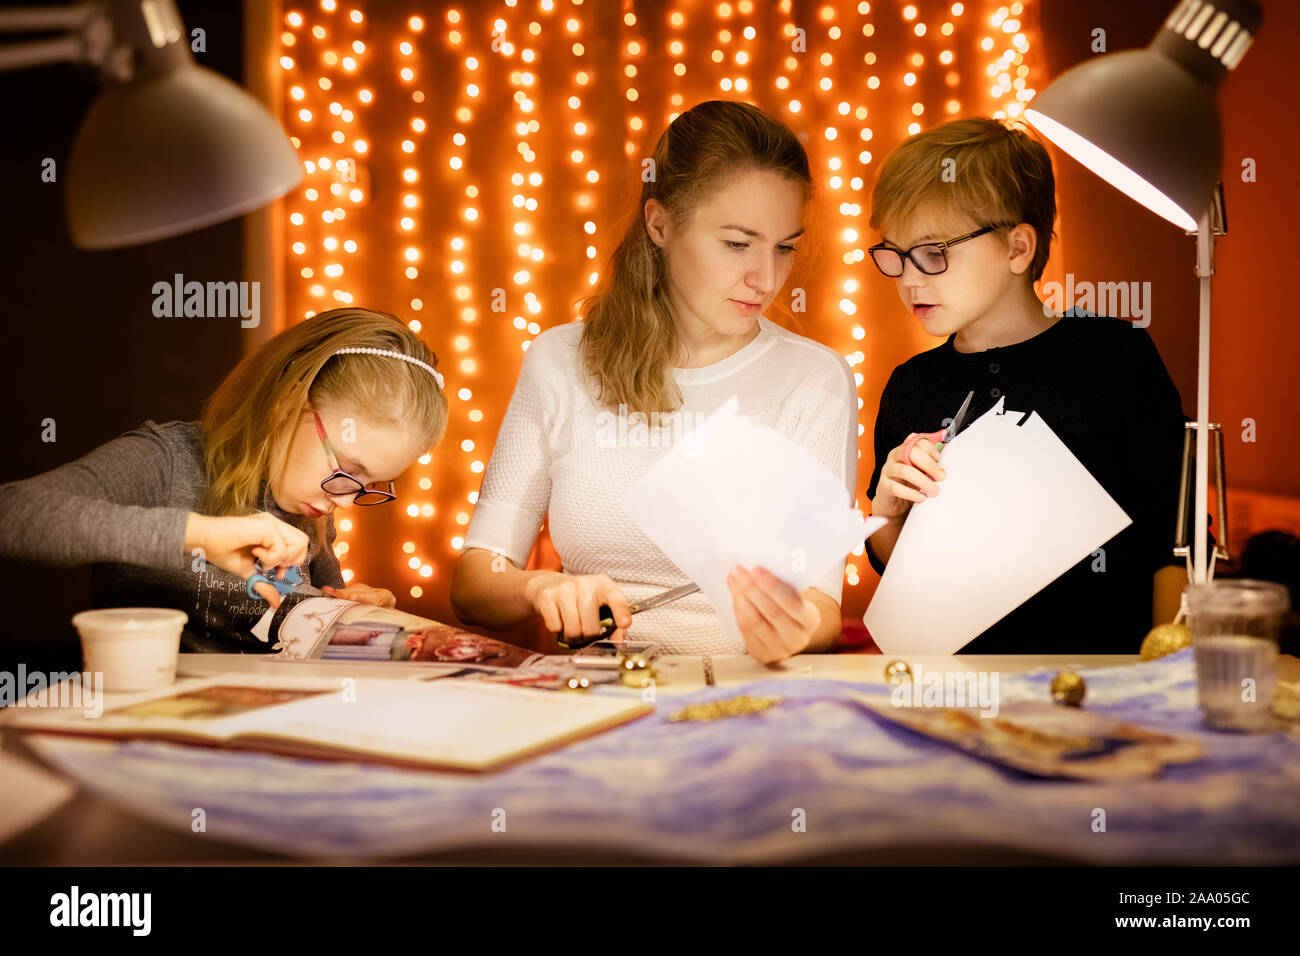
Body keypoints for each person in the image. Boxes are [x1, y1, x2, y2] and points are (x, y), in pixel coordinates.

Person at [451, 100, 858, 661]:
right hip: (598, 702)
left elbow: (820, 605)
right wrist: (539, 587)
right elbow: (475, 584)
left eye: (784, 247)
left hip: (745, 705)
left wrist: (794, 626)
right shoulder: (559, 360)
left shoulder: (814, 378)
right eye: (738, 243)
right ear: (659, 223)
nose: (765, 278)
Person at [863, 117, 1189, 652]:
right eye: (894, 255)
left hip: (1106, 690)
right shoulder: (911, 386)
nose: (909, 278)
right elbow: (902, 573)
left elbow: (1172, 539)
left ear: (1017, 248)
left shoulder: (1115, 358)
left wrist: (1165, 675)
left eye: (932, 253)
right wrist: (886, 512)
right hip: (957, 696)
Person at [0, 307, 447, 652]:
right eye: (348, 468)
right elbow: (14, 515)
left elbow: (313, 619)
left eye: (367, 485)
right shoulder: (166, 462)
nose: (347, 501)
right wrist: (200, 535)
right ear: (289, 398)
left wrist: (354, 610)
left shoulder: (313, 509)